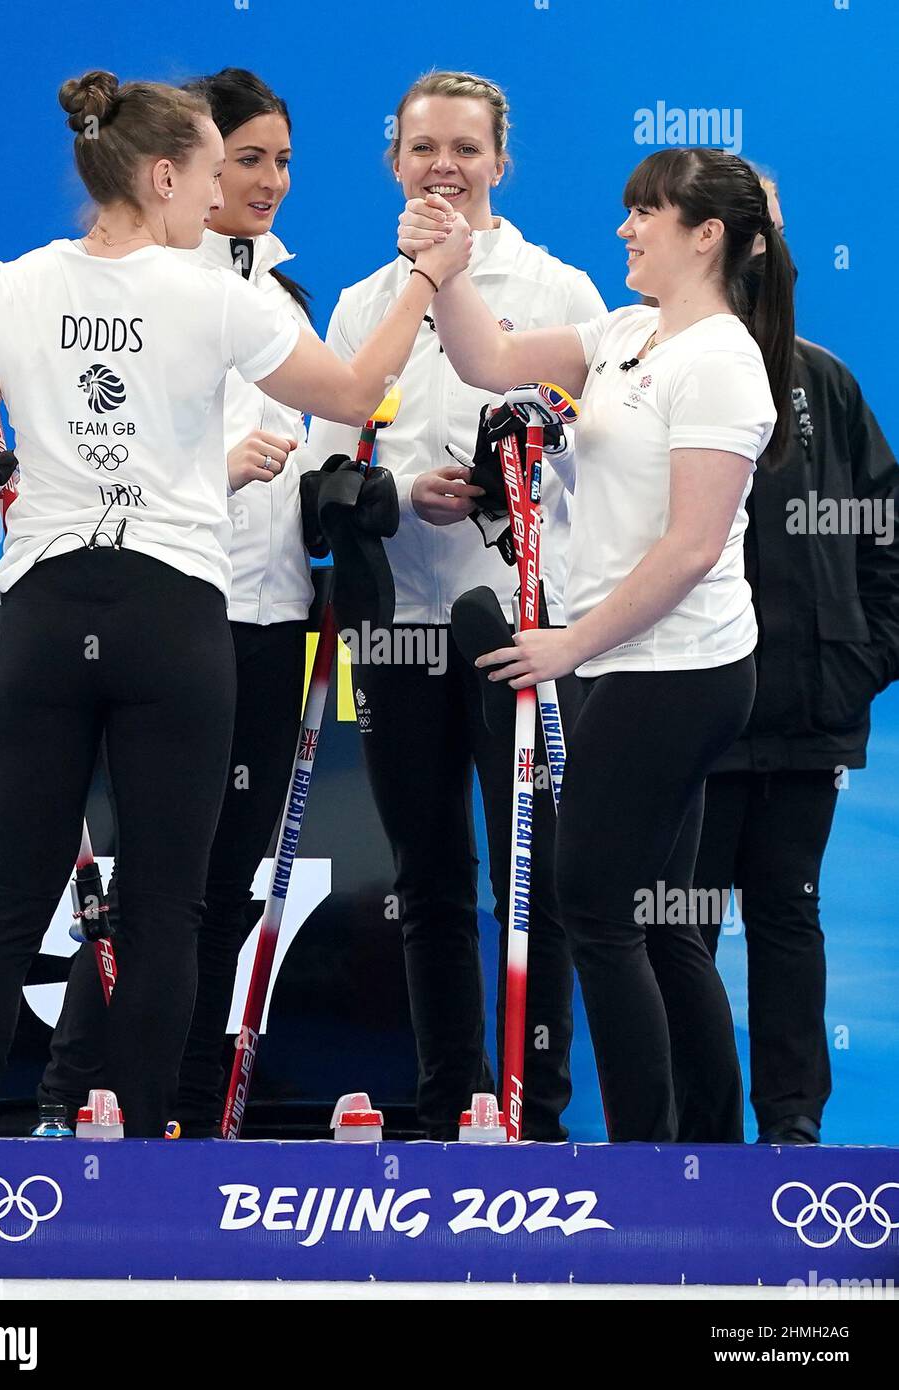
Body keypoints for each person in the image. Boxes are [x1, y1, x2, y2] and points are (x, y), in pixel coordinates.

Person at [0, 68, 468, 1138]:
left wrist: (13, 486)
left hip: (42, 608)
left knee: (5, 903)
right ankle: (132, 1154)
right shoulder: (221, 295)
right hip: (170, 617)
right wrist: (421, 276)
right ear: (164, 176)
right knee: (168, 903)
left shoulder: (5, 285)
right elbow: (357, 395)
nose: (227, 193)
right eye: (217, 172)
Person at [402, 145, 796, 1142]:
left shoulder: (720, 361)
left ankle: (642, 1166)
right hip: (620, 663)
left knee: (591, 903)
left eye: (644, 214)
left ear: (704, 235)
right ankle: (704, 1154)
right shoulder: (625, 333)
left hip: (676, 671)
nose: (623, 229)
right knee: (657, 925)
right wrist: (442, 271)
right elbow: (485, 357)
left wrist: (564, 644)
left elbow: (692, 547)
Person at [309, 70, 606, 1142]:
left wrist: (506, 487)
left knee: (535, 873)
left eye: (464, 149)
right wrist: (394, 493)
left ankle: (534, 1111)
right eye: (423, 147)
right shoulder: (355, 305)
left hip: (521, 627)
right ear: (393, 160)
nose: (443, 167)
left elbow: (601, 462)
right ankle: (449, 1103)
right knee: (426, 878)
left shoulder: (563, 290)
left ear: (499, 162)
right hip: (395, 628)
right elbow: (322, 469)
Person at [35, 67, 320, 1139]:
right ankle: (73, 1101)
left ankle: (186, 1118)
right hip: (160, 613)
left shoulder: (284, 297)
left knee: (218, 895)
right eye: (243, 159)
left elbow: (329, 418)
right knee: (142, 890)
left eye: (282, 162)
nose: (264, 182)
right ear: (180, 169)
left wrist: (339, 494)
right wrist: (217, 467)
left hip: (267, 616)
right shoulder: (132, 283)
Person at [692, 177, 899, 1144]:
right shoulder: (646, 368)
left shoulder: (826, 383)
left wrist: (851, 664)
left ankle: (790, 1134)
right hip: (687, 715)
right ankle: (687, 1141)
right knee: (674, 933)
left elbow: (884, 540)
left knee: (787, 922)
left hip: (804, 721)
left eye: (771, 218)